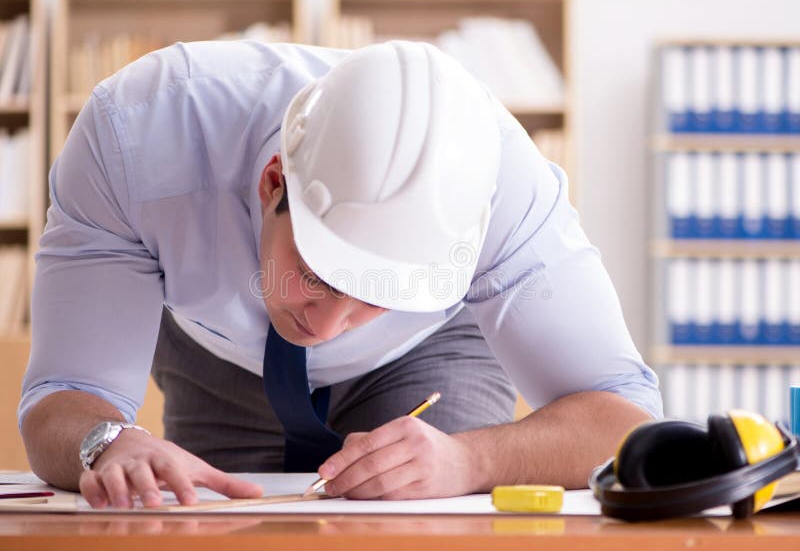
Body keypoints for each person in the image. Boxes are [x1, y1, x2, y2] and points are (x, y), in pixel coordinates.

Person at [18, 39, 662, 510]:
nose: (327, 326)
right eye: (318, 274)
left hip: (423, 358)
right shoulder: (133, 140)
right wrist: (106, 442)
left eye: (380, 295)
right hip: (213, 354)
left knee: (422, 530)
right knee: (213, 526)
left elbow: (624, 419)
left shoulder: (508, 193)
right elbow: (63, 394)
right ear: (274, 181)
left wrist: (471, 459)